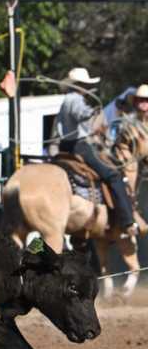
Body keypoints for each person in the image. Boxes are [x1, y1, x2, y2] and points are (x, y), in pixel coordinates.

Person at [56, 68, 138, 238]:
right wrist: (92, 111)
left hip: (65, 146)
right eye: (85, 84)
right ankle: (127, 221)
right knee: (113, 175)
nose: (86, 87)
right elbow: (80, 114)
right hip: (79, 146)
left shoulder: (67, 99)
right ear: (80, 84)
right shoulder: (76, 99)